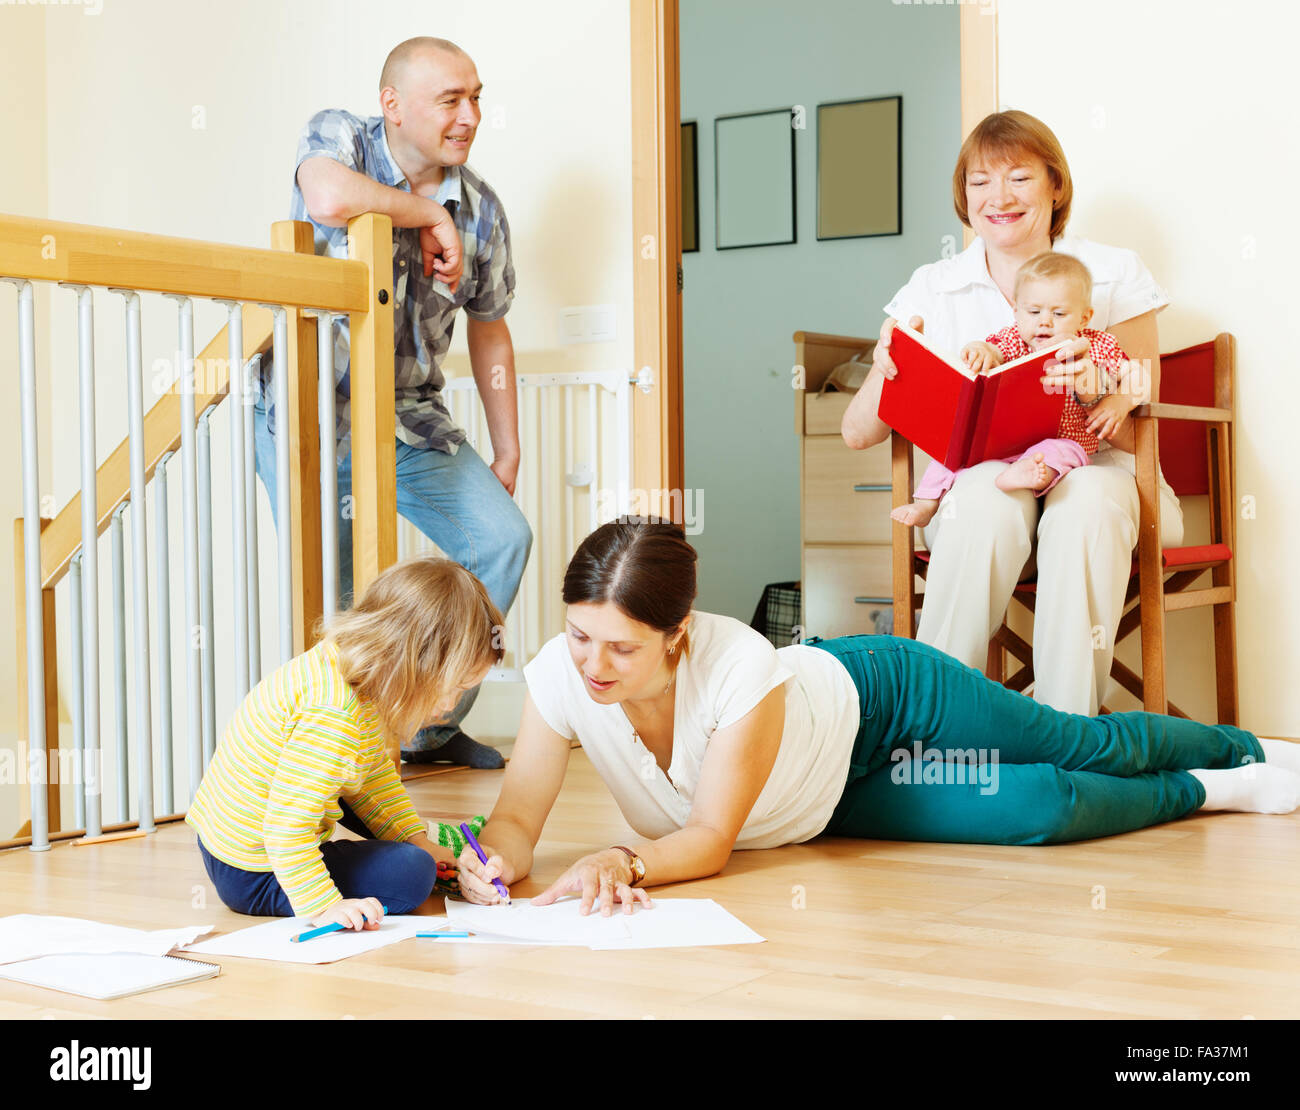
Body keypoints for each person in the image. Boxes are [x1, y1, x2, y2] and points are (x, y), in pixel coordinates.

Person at [451, 519, 1300, 914]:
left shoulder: (740, 660)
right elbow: (519, 816)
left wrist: (621, 861)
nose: (592, 666)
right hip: (831, 803)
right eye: (578, 637)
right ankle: (1208, 789)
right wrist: (490, 864)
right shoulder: (560, 677)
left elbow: (710, 838)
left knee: (1082, 742)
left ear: (678, 636)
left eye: (621, 649)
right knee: (1044, 808)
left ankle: (1250, 746)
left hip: (886, 698)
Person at [841, 109, 1182, 716]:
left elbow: (1142, 428)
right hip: (984, 475)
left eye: (1019, 178)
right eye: (980, 182)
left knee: (1087, 505)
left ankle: (1064, 730)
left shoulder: (1111, 272)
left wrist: (1092, 395)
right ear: (964, 198)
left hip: (1099, 468)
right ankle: (931, 721)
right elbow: (858, 433)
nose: (999, 197)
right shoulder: (933, 286)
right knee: (981, 497)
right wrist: (888, 362)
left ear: (1055, 185)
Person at [253, 35, 531, 769]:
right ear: (392, 106)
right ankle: (342, 759)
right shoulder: (341, 137)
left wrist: (507, 446)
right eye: (451, 100)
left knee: (502, 539)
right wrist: (425, 214)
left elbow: (490, 331)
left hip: (408, 417)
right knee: (340, 595)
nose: (470, 115)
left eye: (477, 97)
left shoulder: (481, 208)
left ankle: (429, 729)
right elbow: (327, 197)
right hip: (311, 415)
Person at [185, 555, 505, 928]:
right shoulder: (332, 713)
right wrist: (325, 907)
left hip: (246, 844)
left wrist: (421, 842)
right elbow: (287, 828)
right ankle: (319, 886)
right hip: (252, 870)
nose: (451, 706)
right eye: (452, 689)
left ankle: (413, 844)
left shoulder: (349, 671)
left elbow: (374, 779)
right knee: (411, 874)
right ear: (412, 660)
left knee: (402, 837)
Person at [891, 252, 1139, 528]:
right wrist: (980, 351)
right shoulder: (1013, 341)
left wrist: (1120, 401)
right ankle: (927, 503)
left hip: (1062, 443)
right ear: (1017, 312)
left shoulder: (1098, 345)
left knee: (1066, 452)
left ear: (1085, 318)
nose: (1044, 321)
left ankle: (1028, 476)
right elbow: (993, 351)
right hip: (1005, 444)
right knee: (952, 450)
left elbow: (1137, 378)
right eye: (1033, 312)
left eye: (1058, 313)